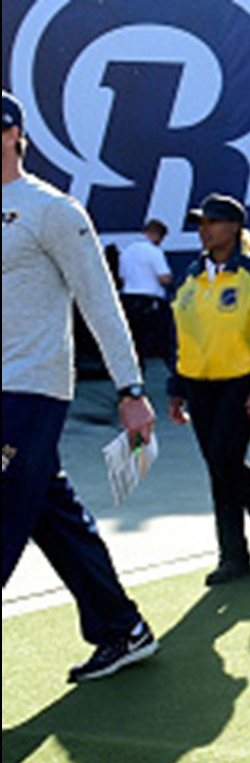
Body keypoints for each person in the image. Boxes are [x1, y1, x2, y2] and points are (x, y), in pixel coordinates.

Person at [1, 88, 158, 680]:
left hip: (30, 388)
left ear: (18, 135)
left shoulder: (52, 210)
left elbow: (99, 299)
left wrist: (130, 388)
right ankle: (122, 627)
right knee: (50, 512)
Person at [166, 194, 250, 585]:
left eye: (212, 222)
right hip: (199, 385)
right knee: (221, 466)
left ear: (234, 228)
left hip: (241, 382)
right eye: (200, 223)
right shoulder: (191, 275)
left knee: (224, 458)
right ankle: (237, 552)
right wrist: (176, 386)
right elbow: (181, 335)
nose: (203, 229)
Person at [117, 218, 176, 373]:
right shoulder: (154, 252)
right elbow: (163, 277)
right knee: (163, 342)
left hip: (128, 299)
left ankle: (133, 375)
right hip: (150, 301)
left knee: (134, 341)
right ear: (158, 235)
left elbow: (121, 278)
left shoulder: (127, 251)